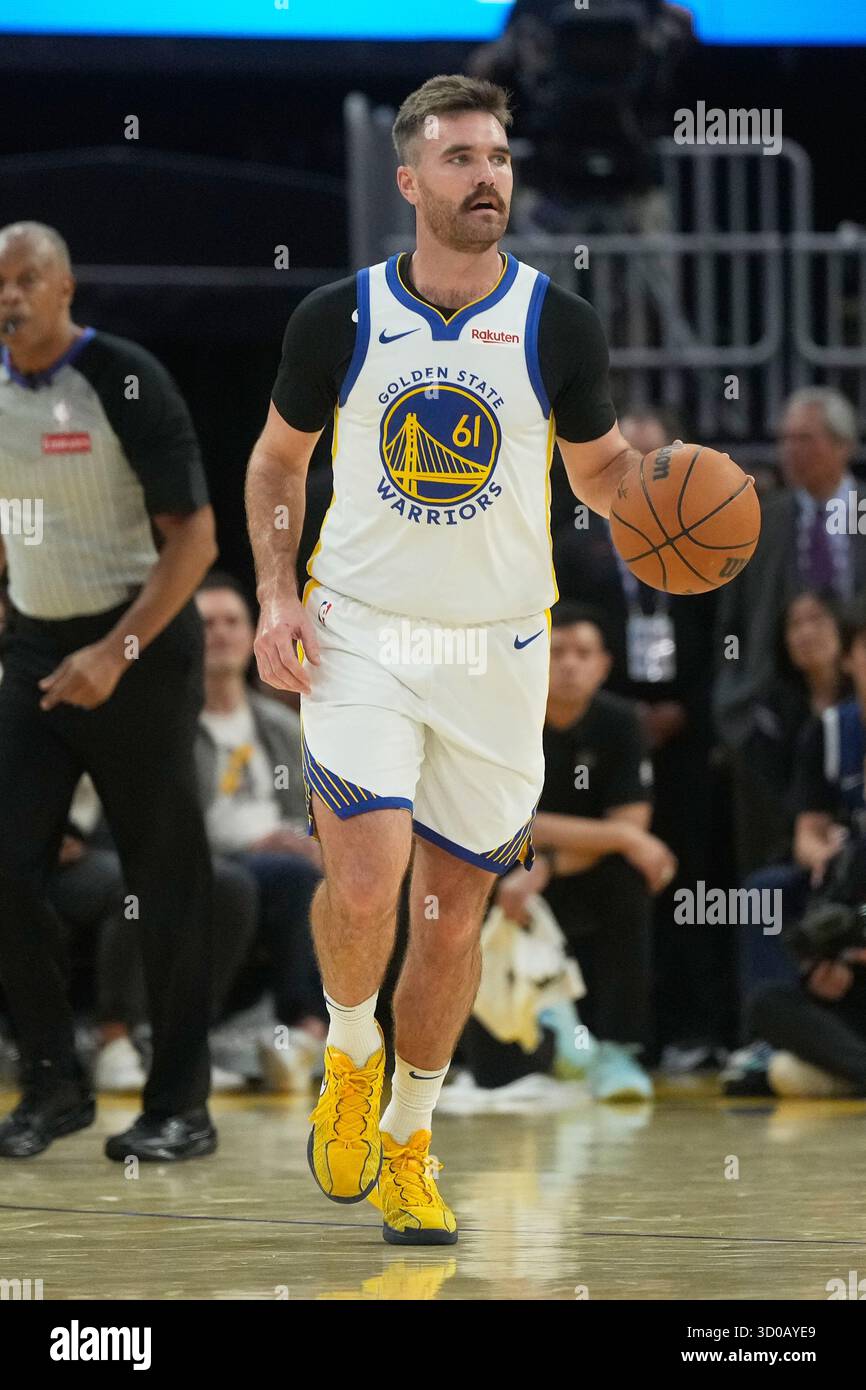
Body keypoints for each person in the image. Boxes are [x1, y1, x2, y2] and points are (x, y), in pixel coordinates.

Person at [246, 75, 695, 1244]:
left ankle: (407, 1136)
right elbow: (275, 467)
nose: (486, 176)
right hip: (362, 637)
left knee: (451, 921)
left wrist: (657, 498)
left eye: (496, 157)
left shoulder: (559, 323)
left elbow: (594, 475)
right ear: (409, 180)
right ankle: (349, 1052)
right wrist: (275, 594)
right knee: (363, 877)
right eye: (458, 159)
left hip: (498, 654)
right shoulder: (337, 318)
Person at [0, 221, 218, 1161]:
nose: (7, 295)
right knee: (6, 868)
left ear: (65, 288)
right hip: (36, 646)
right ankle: (55, 1087)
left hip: (143, 642)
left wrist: (115, 651)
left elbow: (197, 540)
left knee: (165, 881)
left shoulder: (125, 379)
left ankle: (182, 1106)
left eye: (25, 278)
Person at [494, 602, 675, 1099]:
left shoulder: (621, 722)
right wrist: (619, 837)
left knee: (629, 876)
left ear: (604, 665)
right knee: (470, 872)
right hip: (505, 874)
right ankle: (533, 1036)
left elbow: (630, 824)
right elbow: (507, 823)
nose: (570, 663)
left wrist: (552, 862)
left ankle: (619, 1051)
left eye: (583, 652)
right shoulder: (506, 720)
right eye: (557, 652)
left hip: (563, 874)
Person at [715, 387, 866, 876]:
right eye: (785, 439)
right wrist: (733, 703)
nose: (791, 450)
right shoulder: (758, 517)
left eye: (806, 438)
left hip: (857, 698)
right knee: (768, 870)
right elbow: (731, 621)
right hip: (770, 711)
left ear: (843, 445)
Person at [194, 572, 327, 1088]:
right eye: (207, 624)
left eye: (233, 622)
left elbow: (304, 809)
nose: (221, 634)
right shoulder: (174, 724)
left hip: (281, 860)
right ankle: (306, 1026)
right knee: (289, 876)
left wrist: (312, 842)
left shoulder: (275, 722)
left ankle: (319, 1039)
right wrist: (256, 842)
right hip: (212, 859)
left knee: (344, 871)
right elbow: (169, 821)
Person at [742, 595, 866, 1097]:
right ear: (850, 658)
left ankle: (842, 1065)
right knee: (769, 1003)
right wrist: (828, 956)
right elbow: (807, 832)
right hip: (848, 886)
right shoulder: (833, 731)